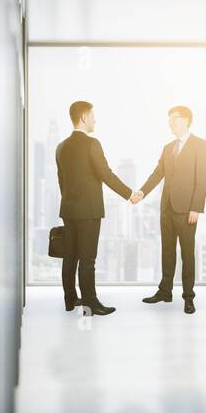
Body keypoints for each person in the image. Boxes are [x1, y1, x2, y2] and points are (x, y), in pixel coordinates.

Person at [130, 106, 206, 313]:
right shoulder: (168, 148)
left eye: (172, 119)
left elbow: (202, 179)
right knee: (167, 251)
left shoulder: (200, 145)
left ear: (184, 120)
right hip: (166, 207)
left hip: (186, 210)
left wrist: (196, 208)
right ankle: (165, 292)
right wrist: (141, 192)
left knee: (187, 254)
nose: (169, 123)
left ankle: (188, 297)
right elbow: (158, 174)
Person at [56, 101, 133, 315]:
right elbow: (106, 174)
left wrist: (70, 201)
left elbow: (61, 181)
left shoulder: (61, 147)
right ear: (83, 118)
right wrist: (129, 194)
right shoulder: (92, 144)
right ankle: (91, 304)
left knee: (70, 256)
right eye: (92, 116)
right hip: (88, 210)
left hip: (69, 209)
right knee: (88, 259)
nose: (95, 120)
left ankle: (70, 299)